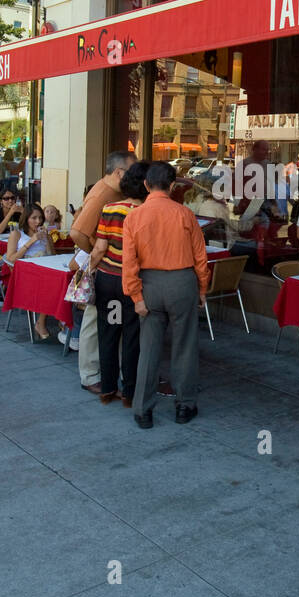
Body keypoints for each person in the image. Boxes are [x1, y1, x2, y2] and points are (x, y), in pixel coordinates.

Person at [123, 161, 210, 428]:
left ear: (146, 185)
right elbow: (200, 257)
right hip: (182, 282)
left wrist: (136, 297)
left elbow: (130, 262)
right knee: (184, 346)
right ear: (172, 186)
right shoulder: (185, 214)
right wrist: (202, 289)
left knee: (148, 349)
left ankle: (143, 410)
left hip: (150, 284)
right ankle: (185, 406)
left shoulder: (133, 217)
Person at [68, 149, 138, 392]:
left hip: (107, 266)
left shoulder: (109, 190)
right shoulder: (104, 195)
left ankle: (106, 372)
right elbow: (76, 232)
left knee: (108, 321)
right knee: (93, 322)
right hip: (104, 267)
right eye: (132, 173)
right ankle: (90, 375)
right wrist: (98, 254)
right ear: (119, 173)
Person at [90, 162, 150, 406]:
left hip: (109, 281)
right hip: (134, 283)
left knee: (109, 334)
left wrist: (90, 269)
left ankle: (107, 389)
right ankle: (129, 393)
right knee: (132, 337)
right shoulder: (148, 213)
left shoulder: (110, 208)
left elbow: (100, 248)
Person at [0, 202, 51, 319]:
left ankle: (49, 322)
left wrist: (47, 240)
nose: (38, 221)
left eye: (40, 218)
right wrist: (31, 241)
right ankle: (42, 323)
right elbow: (11, 259)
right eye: (34, 218)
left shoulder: (44, 233)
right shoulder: (17, 234)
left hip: (44, 269)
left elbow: (52, 256)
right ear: (26, 219)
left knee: (61, 281)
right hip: (25, 274)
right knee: (52, 285)